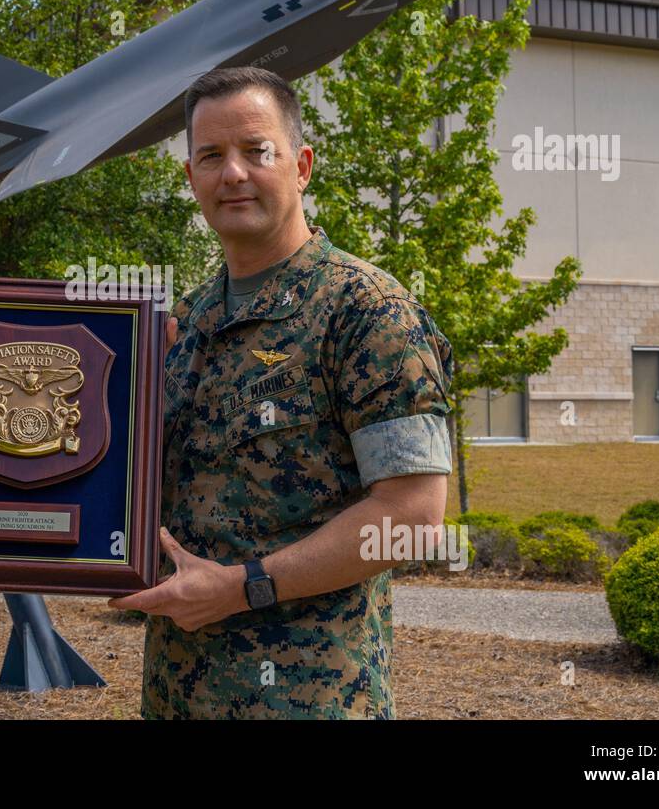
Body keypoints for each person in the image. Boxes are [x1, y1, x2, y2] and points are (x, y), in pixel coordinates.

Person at [110, 66, 454, 718]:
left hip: (310, 700)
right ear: (191, 179)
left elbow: (413, 520)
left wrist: (244, 588)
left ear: (301, 165)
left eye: (255, 151)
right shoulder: (181, 326)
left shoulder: (368, 314)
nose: (232, 173)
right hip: (179, 696)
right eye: (211, 156)